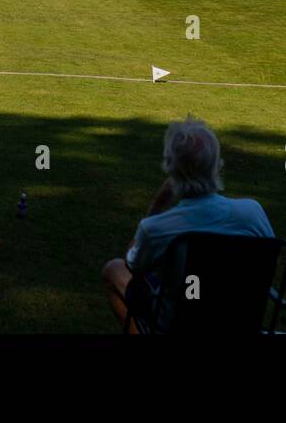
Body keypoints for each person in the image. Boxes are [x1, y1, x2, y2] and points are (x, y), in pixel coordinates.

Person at [101, 116, 274, 333]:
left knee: (114, 269)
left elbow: (132, 266)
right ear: (216, 165)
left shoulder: (157, 228)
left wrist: (156, 205)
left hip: (181, 323)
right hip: (240, 322)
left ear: (170, 168)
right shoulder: (253, 212)